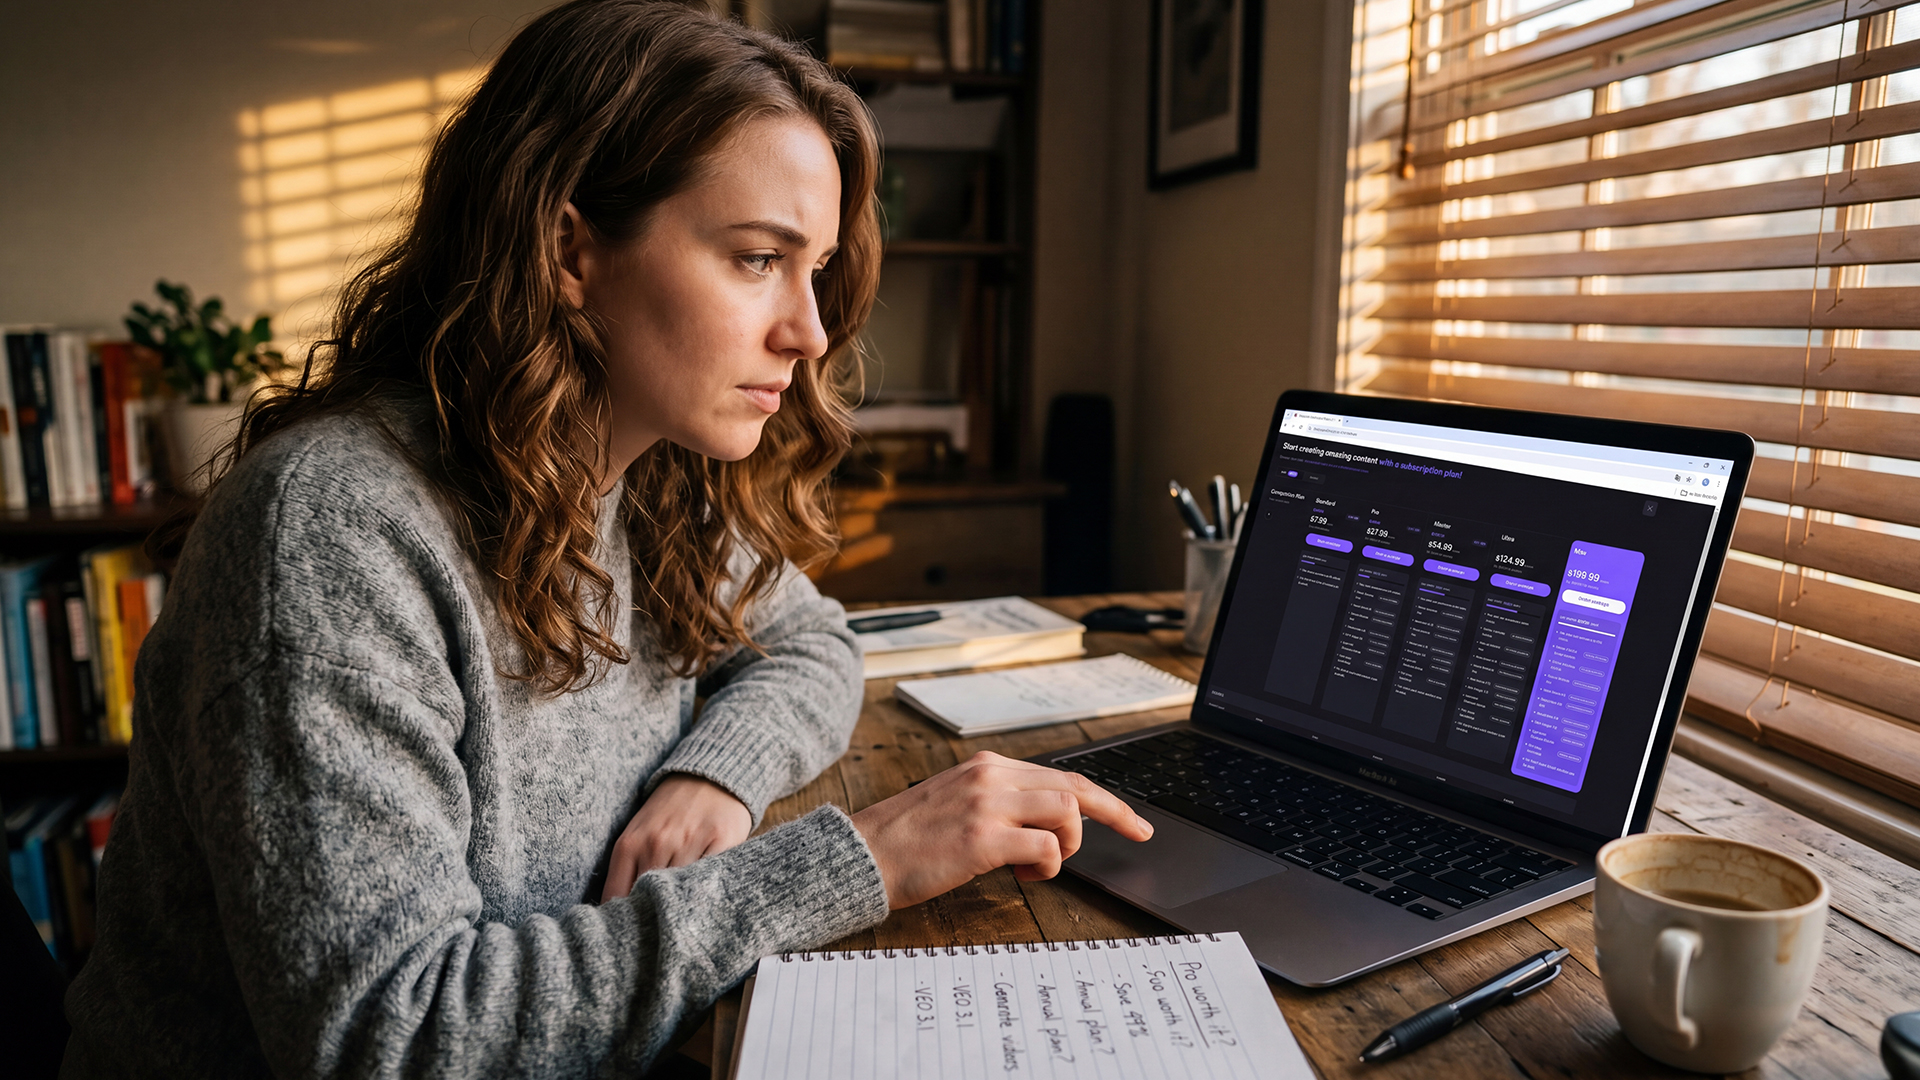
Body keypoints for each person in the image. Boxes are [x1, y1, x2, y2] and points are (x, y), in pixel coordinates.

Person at [59, 3, 1152, 1077]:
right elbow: (393, 1037)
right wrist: (866, 858)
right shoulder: (331, 534)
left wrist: (715, 775)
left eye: (814, 269)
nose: (811, 332)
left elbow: (813, 641)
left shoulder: (649, 473)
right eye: (757, 259)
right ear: (571, 251)